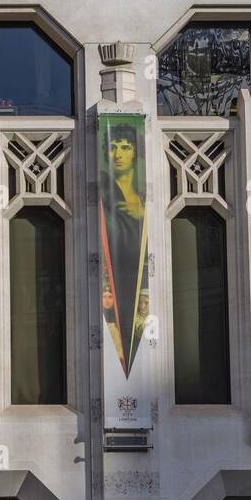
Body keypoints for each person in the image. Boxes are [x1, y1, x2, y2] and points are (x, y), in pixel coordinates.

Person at [99, 122, 148, 377]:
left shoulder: (142, 195)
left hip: (139, 284)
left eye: (125, 147)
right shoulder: (105, 190)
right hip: (114, 283)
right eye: (113, 147)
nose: (118, 154)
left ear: (135, 154)